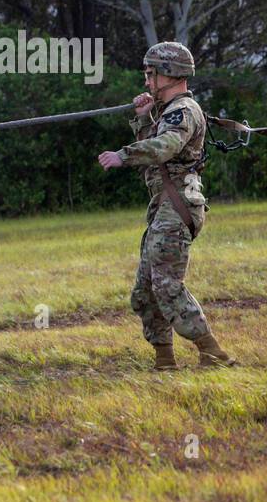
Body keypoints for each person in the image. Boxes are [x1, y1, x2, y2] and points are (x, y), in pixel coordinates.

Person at [97, 42, 236, 368]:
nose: (147, 82)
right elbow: (160, 145)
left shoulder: (183, 111)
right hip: (164, 207)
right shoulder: (169, 111)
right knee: (145, 290)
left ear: (169, 74)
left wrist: (123, 155)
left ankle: (212, 352)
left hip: (178, 207)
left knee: (166, 285)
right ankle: (164, 360)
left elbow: (165, 146)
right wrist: (144, 118)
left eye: (151, 74)